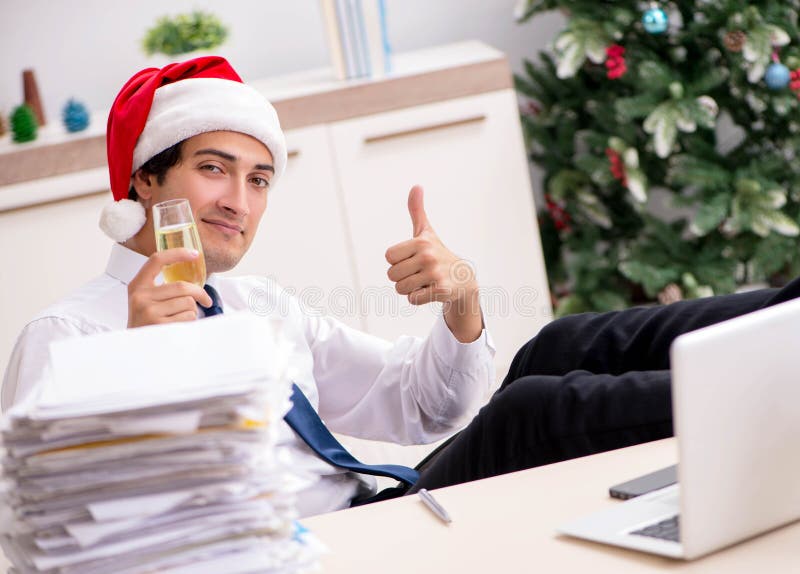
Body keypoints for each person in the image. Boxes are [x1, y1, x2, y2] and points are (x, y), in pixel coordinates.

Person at [4, 56, 798, 515]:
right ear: (146, 181)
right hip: (307, 552)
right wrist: (142, 365)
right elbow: (63, 532)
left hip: (382, 509)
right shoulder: (69, 339)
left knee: (555, 343)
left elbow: (422, 407)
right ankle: (779, 395)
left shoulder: (257, 305)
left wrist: (461, 308)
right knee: (531, 412)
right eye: (212, 170)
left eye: (259, 179)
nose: (238, 202)